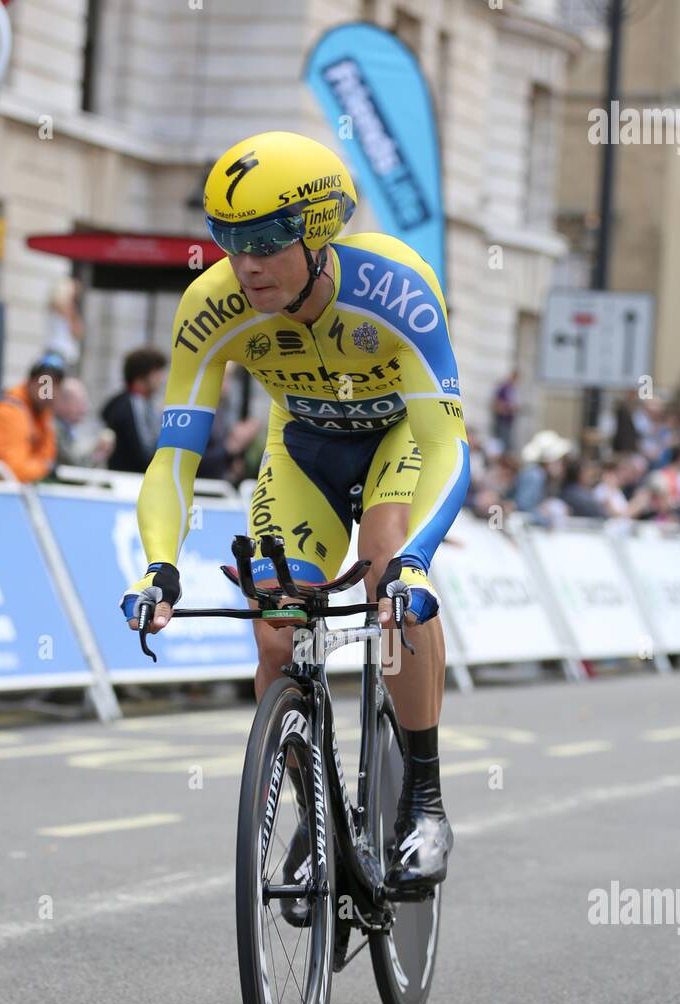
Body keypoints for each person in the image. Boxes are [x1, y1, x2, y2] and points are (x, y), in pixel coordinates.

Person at [121, 130, 470, 895]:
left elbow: (449, 443)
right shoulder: (211, 308)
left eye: (269, 240)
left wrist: (416, 561)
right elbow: (173, 459)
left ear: (318, 235)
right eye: (227, 239)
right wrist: (159, 565)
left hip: (397, 438)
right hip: (302, 447)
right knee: (276, 633)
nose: (245, 263)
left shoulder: (396, 288)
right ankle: (318, 821)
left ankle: (425, 799)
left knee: (386, 573)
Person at [0, 354, 65, 483]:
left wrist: (44, 466)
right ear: (30, 381)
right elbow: (17, 471)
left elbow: (46, 456)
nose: (48, 390)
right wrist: (45, 468)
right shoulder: (10, 412)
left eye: (55, 384)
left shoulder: (42, 413)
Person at [102, 347, 167, 473]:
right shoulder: (127, 407)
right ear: (143, 375)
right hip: (127, 483)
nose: (162, 379)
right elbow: (143, 455)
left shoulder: (143, 404)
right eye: (157, 373)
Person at [54, 378, 115, 469]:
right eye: (80, 402)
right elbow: (74, 464)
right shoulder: (54, 429)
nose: (85, 408)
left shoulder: (67, 428)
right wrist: (97, 449)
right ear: (61, 402)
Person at [45, 278, 84, 367]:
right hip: (61, 351)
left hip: (56, 349)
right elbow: (78, 331)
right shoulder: (67, 308)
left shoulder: (54, 305)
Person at [491, 371, 519, 451]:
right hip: (502, 419)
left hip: (508, 420)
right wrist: (507, 407)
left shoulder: (512, 390)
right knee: (502, 441)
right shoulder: (504, 389)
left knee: (507, 441)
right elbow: (497, 403)